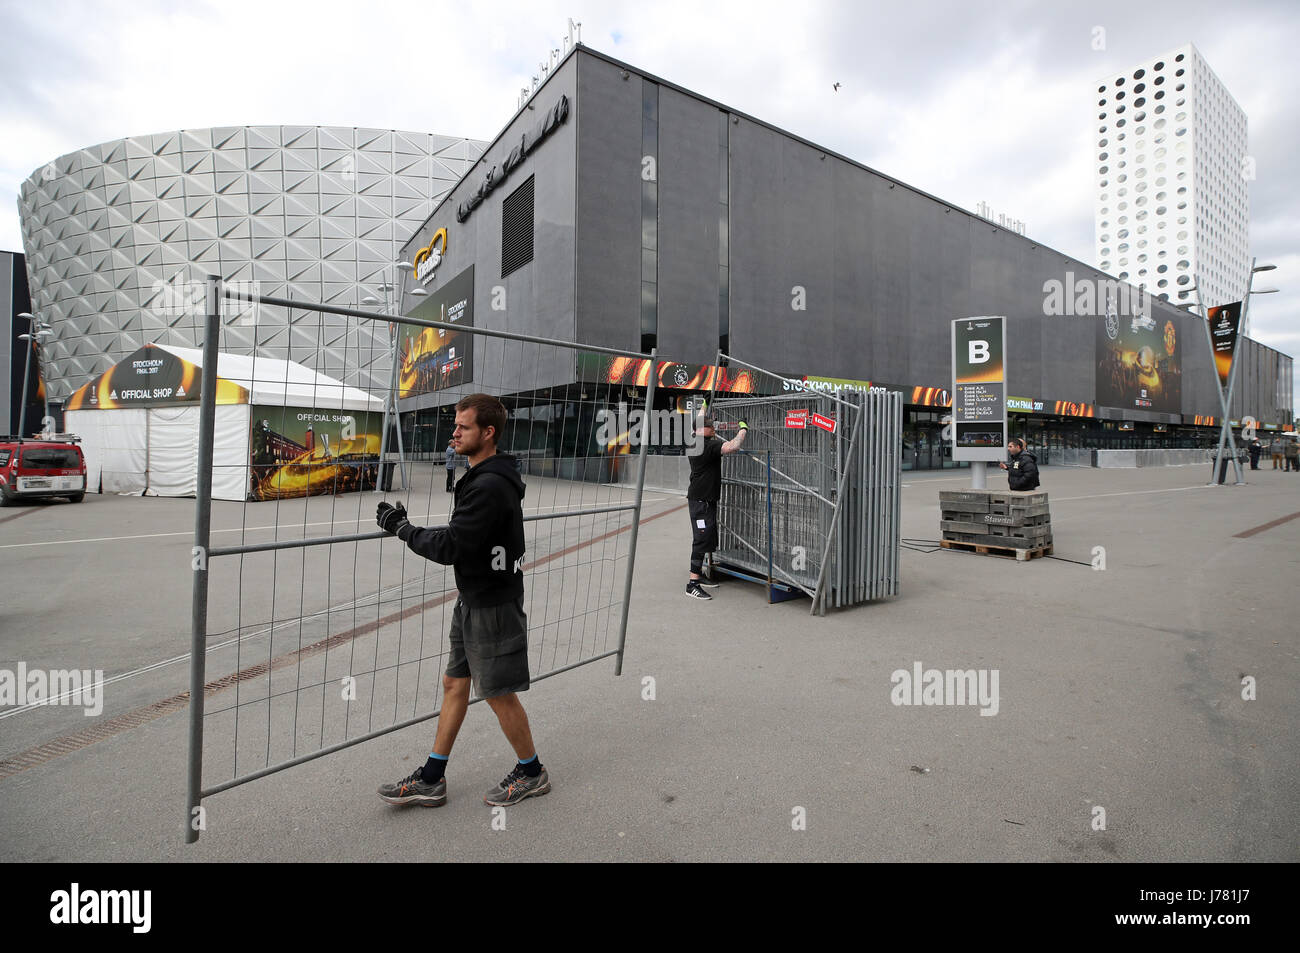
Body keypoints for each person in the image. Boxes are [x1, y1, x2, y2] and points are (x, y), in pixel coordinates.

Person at [375, 393, 547, 809]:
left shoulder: (489, 484)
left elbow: (453, 545)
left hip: (492, 603)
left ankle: (531, 772)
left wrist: (402, 529)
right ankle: (432, 779)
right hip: (473, 597)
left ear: (487, 433)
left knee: (498, 693)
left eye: (463, 426)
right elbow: (467, 536)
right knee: (455, 683)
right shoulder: (480, 476)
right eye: (455, 425)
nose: (454, 432)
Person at [684, 413, 748, 600]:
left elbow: (698, 422)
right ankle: (692, 584)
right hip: (701, 502)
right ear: (701, 429)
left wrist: (703, 410)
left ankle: (700, 575)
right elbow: (734, 446)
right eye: (710, 426)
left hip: (704, 500)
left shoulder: (694, 441)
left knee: (708, 537)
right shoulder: (707, 445)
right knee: (701, 539)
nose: (714, 429)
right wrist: (743, 429)